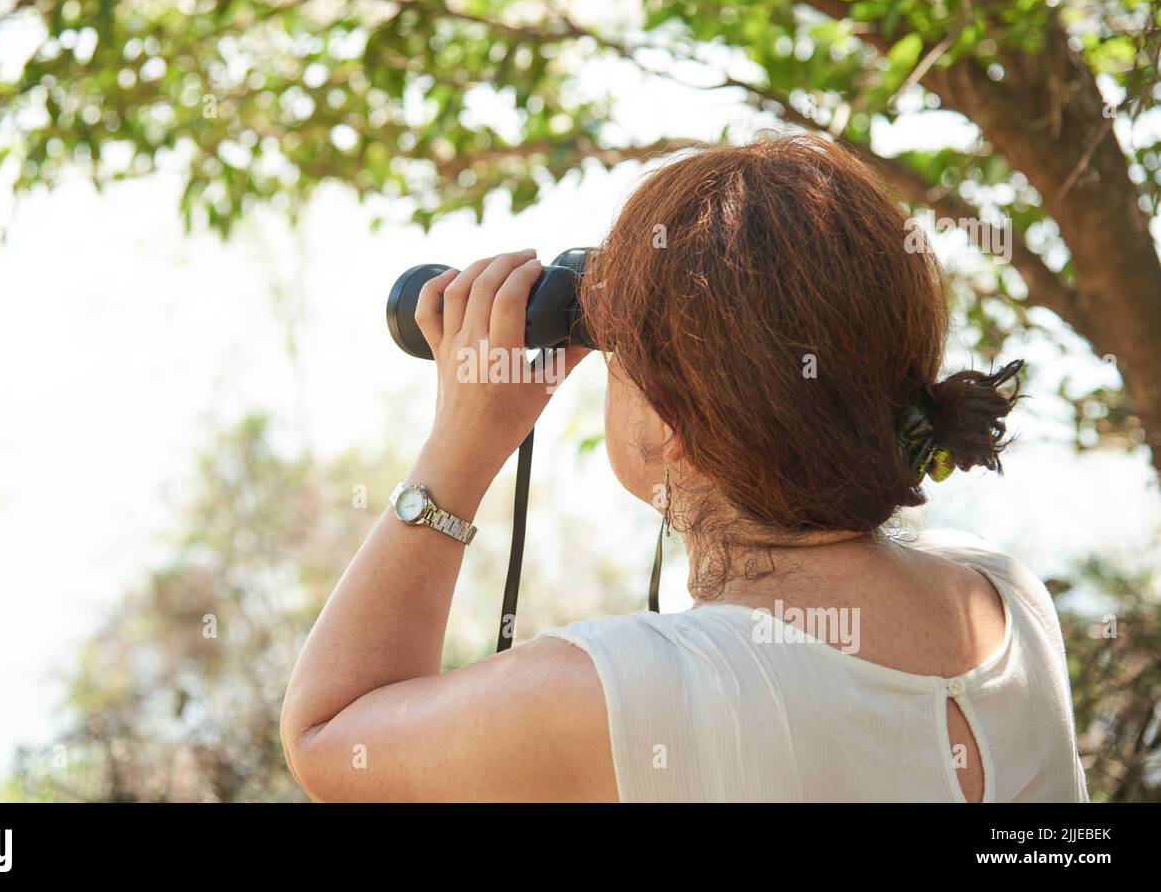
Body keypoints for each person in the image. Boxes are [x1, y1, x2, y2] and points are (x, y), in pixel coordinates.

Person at [279, 134, 1089, 802]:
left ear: (672, 422)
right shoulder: (1005, 601)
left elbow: (328, 735)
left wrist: (460, 447)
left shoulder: (621, 694)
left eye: (614, 350)